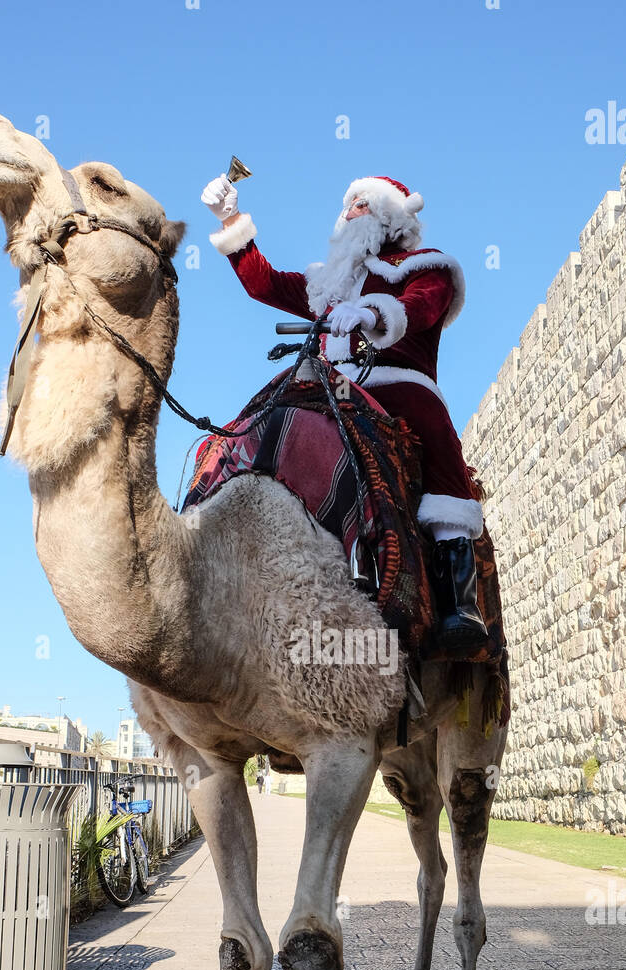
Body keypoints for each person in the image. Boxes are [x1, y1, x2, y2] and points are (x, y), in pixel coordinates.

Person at [201, 171, 488, 654]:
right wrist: (230, 219)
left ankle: (459, 601)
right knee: (250, 427)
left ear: (387, 215)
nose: (348, 210)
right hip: (328, 384)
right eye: (347, 203)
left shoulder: (425, 266)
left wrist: (372, 314)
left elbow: (422, 307)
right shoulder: (329, 283)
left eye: (360, 203)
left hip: (398, 387)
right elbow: (263, 283)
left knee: (437, 441)